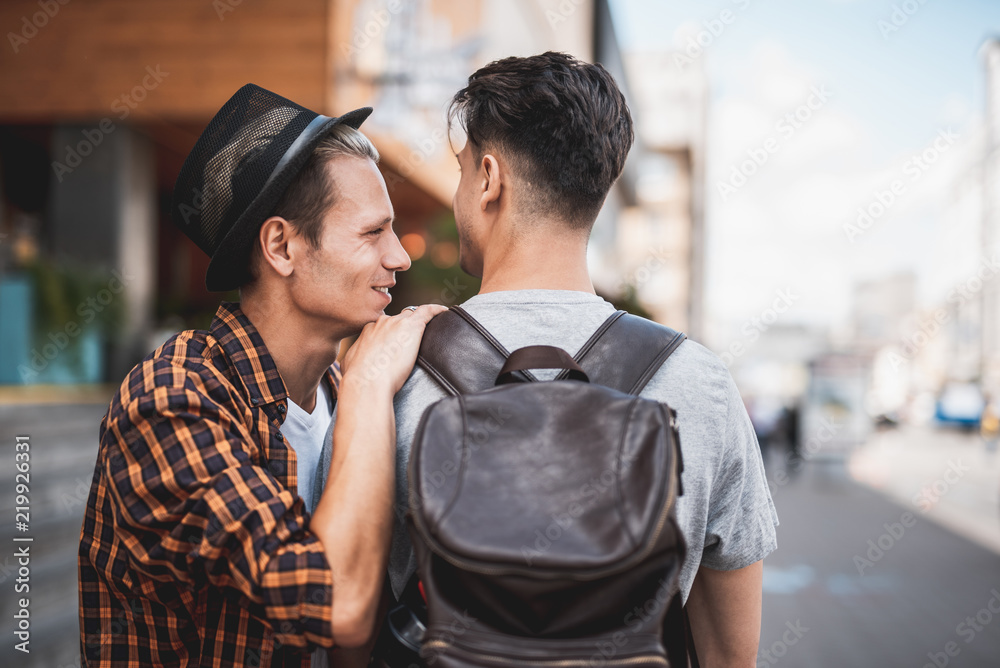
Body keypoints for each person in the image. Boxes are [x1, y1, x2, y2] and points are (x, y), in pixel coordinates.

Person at [372, 52, 779, 666]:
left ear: (488, 178)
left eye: (459, 172)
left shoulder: (391, 374)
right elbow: (729, 655)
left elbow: (350, 617)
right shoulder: (700, 383)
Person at [77, 84, 445, 668]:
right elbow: (338, 609)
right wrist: (370, 387)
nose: (401, 257)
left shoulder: (333, 392)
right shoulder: (174, 397)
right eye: (374, 233)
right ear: (281, 246)